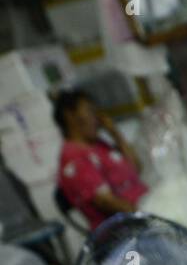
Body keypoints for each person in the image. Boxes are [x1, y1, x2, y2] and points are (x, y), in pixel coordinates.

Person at [53, 90, 148, 229]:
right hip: (125, 230)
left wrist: (115, 133)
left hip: (143, 210)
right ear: (70, 116)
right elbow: (106, 202)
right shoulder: (74, 158)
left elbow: (136, 169)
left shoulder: (98, 144)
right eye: (90, 111)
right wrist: (148, 215)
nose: (97, 118)